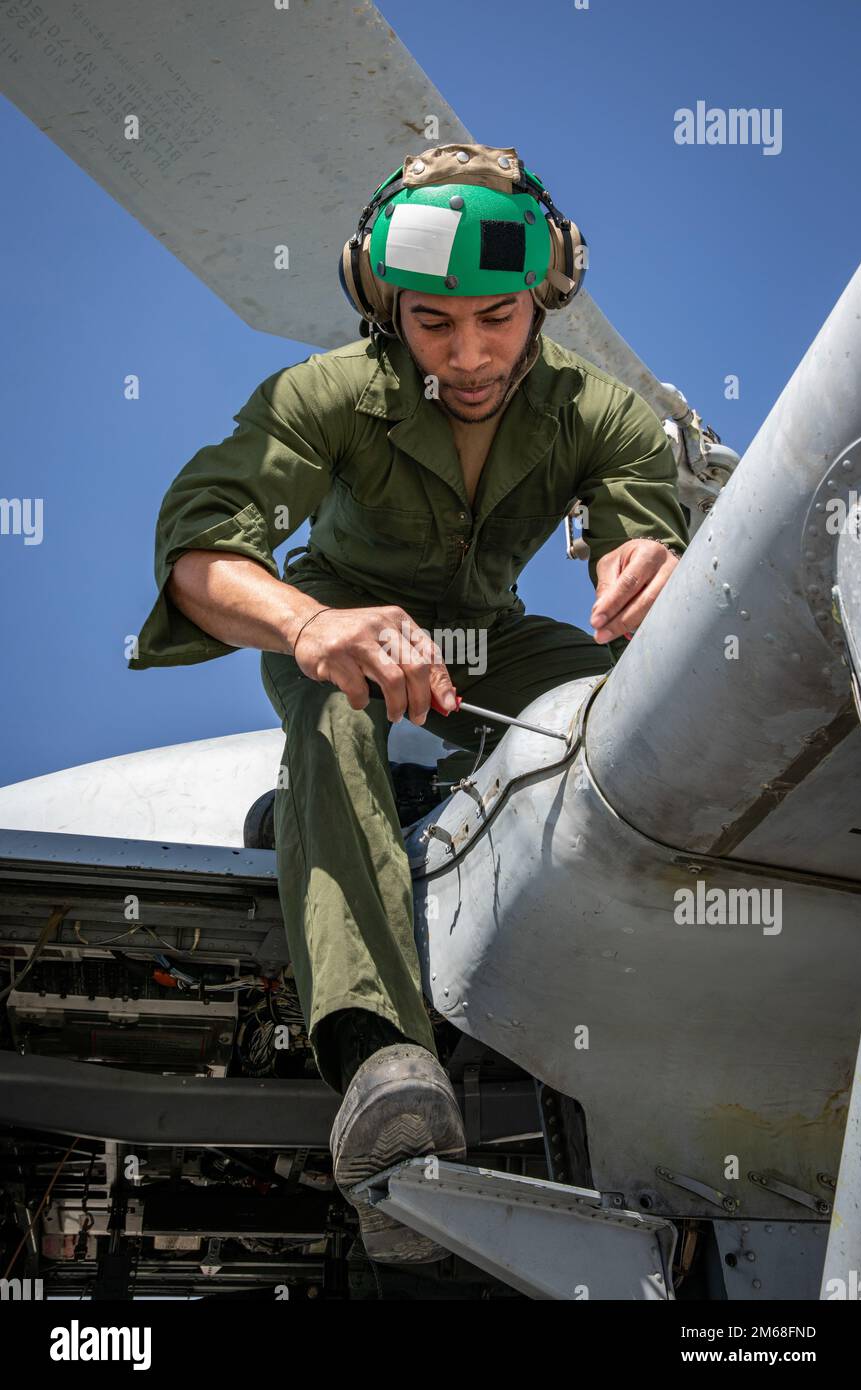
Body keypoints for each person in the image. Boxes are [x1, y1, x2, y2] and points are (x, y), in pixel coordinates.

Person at [130, 143, 690, 1264]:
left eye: (497, 317)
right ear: (383, 304)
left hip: (488, 641)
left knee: (628, 707)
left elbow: (640, 525)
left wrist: (657, 569)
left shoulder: (604, 415)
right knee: (334, 714)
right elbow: (198, 548)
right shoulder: (327, 394)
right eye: (434, 324)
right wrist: (306, 625)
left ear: (544, 294)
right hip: (342, 619)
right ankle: (383, 1063)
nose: (470, 355)